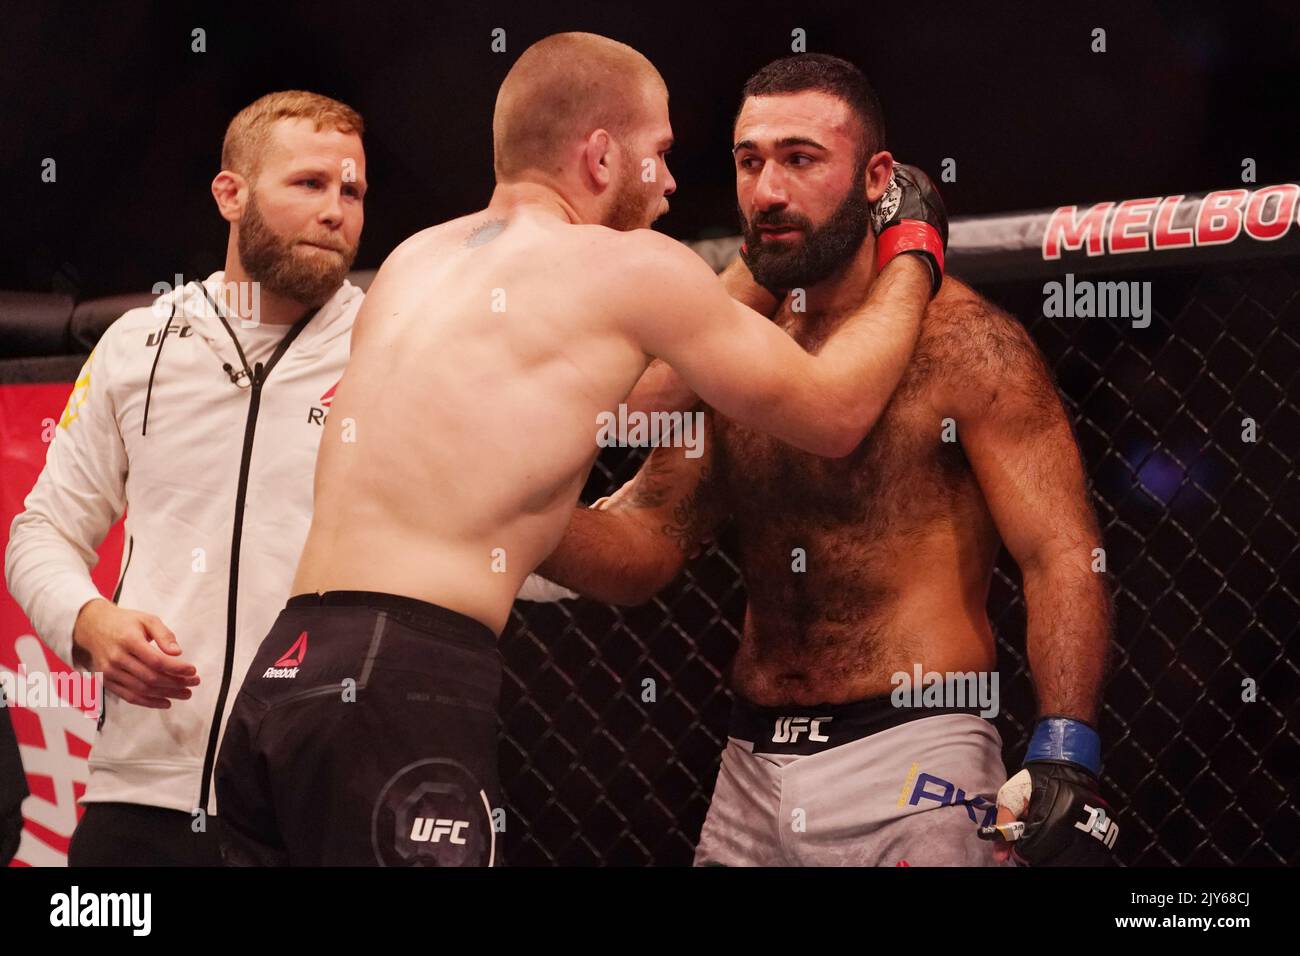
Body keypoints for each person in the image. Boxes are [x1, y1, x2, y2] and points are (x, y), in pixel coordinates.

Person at [214, 32, 944, 866]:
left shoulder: (415, 260)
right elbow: (838, 409)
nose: (671, 181)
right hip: (404, 683)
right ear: (602, 157)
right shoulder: (629, 266)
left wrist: (753, 267)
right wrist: (914, 248)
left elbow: (632, 392)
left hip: (286, 671)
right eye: (660, 153)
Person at [537, 54, 1118, 866]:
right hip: (748, 762)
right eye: (750, 162)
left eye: (801, 159)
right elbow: (651, 536)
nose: (768, 191)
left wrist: (1064, 749)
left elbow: (1060, 551)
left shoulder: (966, 345)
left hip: (916, 755)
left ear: (877, 175)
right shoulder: (737, 355)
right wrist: (514, 522)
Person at [4, 90, 371, 865]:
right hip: (140, 792)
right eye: (309, 184)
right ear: (230, 193)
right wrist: (88, 620)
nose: (336, 210)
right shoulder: (139, 346)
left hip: (323, 799)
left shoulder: (391, 345)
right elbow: (40, 534)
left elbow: (482, 532)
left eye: (353, 190)